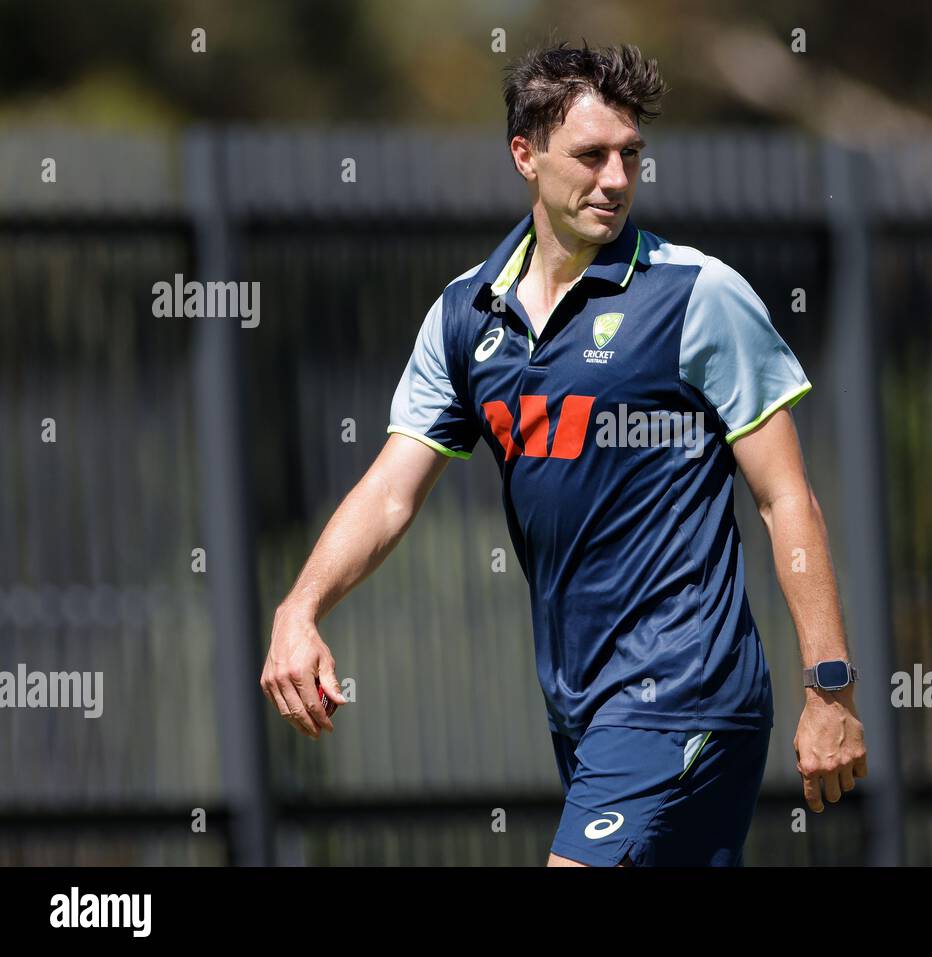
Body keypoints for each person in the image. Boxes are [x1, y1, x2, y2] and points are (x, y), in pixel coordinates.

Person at [260, 39, 866, 867]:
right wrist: (300, 610)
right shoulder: (466, 315)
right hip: (581, 705)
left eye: (630, 156)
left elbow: (785, 497)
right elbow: (392, 490)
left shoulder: (697, 296)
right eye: (590, 156)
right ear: (525, 154)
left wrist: (829, 686)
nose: (615, 179)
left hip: (683, 688)